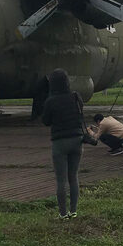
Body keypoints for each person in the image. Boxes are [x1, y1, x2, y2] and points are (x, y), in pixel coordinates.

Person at [42, 68, 84, 220]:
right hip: (77, 140)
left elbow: (46, 121)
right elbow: (81, 111)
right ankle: (73, 211)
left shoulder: (51, 101)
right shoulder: (75, 96)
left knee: (61, 180)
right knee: (73, 176)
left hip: (60, 142)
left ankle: (62, 214)